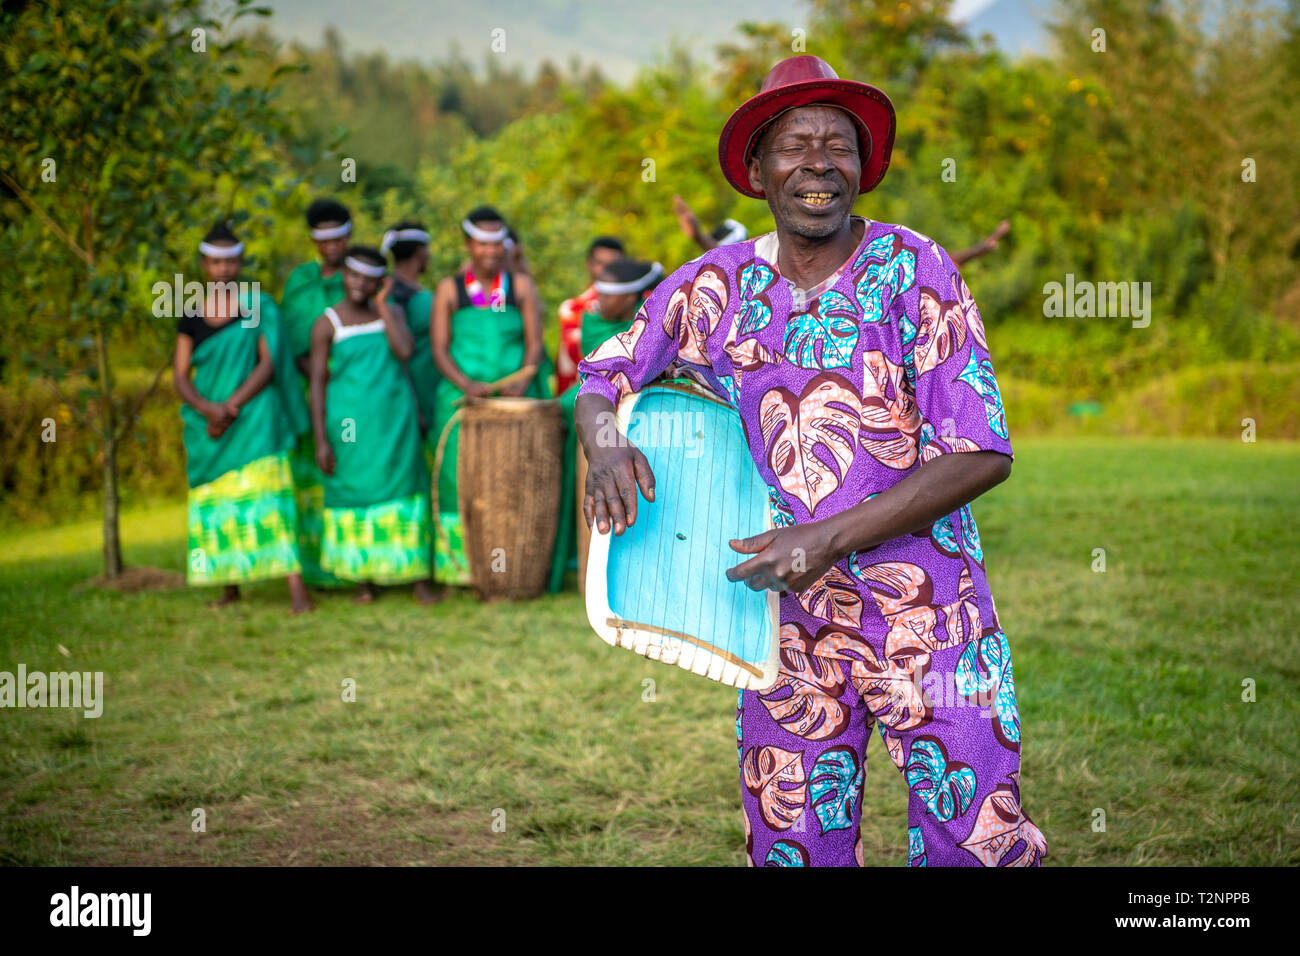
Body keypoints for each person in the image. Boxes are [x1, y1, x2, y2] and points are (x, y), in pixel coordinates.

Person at [575, 55, 1047, 867]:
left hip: (931, 616)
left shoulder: (916, 270)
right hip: (783, 628)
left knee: (976, 835)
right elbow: (603, 373)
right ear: (758, 171)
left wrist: (826, 540)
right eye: (795, 145)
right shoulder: (714, 287)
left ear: (863, 168)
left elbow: (980, 452)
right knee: (795, 844)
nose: (818, 162)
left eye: (839, 144)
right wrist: (605, 438)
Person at [174, 222, 312, 614]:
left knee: (271, 499)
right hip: (209, 426)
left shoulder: (256, 305)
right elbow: (181, 375)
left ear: (239, 264)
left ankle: (298, 592)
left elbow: (269, 363)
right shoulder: (190, 313)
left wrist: (229, 407)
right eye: (216, 262)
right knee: (218, 501)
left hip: (255, 418)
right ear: (204, 264)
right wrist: (208, 410)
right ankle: (229, 587)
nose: (223, 269)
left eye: (230, 262)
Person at [308, 246, 438, 604]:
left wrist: (383, 305)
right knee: (356, 492)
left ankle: (418, 580)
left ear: (381, 283)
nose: (359, 284)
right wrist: (321, 439)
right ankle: (363, 582)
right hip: (349, 428)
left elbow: (406, 351)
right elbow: (317, 383)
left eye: (370, 280)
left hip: (394, 422)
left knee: (405, 489)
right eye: (353, 275)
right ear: (343, 275)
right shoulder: (327, 322)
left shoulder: (392, 312)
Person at [429, 206, 550, 587]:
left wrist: (524, 378)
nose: (491, 251)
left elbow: (534, 344)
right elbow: (439, 349)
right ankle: (460, 570)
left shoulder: (521, 287)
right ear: (468, 244)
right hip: (461, 400)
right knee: (457, 478)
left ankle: (511, 566)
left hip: (514, 400)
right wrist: (467, 385)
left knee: (512, 478)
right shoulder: (449, 289)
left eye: (497, 243)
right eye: (482, 243)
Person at [552, 257, 663, 593]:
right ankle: (581, 570)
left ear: (632, 299)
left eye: (610, 294)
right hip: (591, 419)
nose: (601, 300)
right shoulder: (590, 321)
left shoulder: (649, 329)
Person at [279, 198, 354, 591]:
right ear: (313, 241)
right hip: (310, 390)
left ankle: (351, 565)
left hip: (355, 394)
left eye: (339, 239)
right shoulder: (300, 283)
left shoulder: (359, 278)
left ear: (349, 236)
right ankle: (313, 566)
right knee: (311, 474)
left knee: (349, 466)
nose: (333, 247)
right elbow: (289, 341)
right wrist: (319, 376)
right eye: (324, 240)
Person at [381, 221, 439, 438]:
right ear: (419, 251)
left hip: (420, 394)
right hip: (416, 395)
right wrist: (415, 406)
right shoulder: (403, 298)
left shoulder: (387, 292)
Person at [555, 236, 625, 395]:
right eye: (601, 263)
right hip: (580, 394)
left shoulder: (638, 305)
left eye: (614, 265)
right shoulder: (572, 308)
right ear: (589, 264)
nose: (607, 269)